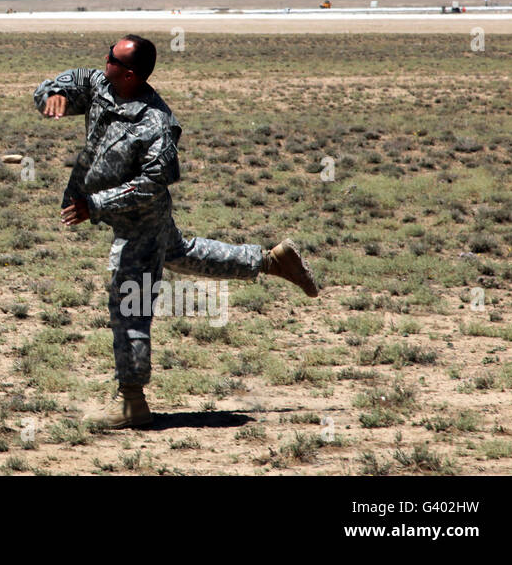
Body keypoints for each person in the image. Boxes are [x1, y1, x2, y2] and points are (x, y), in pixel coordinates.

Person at [34, 35, 320, 429]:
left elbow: (153, 183)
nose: (104, 62)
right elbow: (65, 82)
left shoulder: (157, 124)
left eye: (112, 59)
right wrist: (52, 95)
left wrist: (95, 205)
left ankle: (132, 401)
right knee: (181, 253)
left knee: (129, 302)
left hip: (142, 220)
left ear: (130, 73)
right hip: (122, 214)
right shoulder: (103, 86)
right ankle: (270, 261)